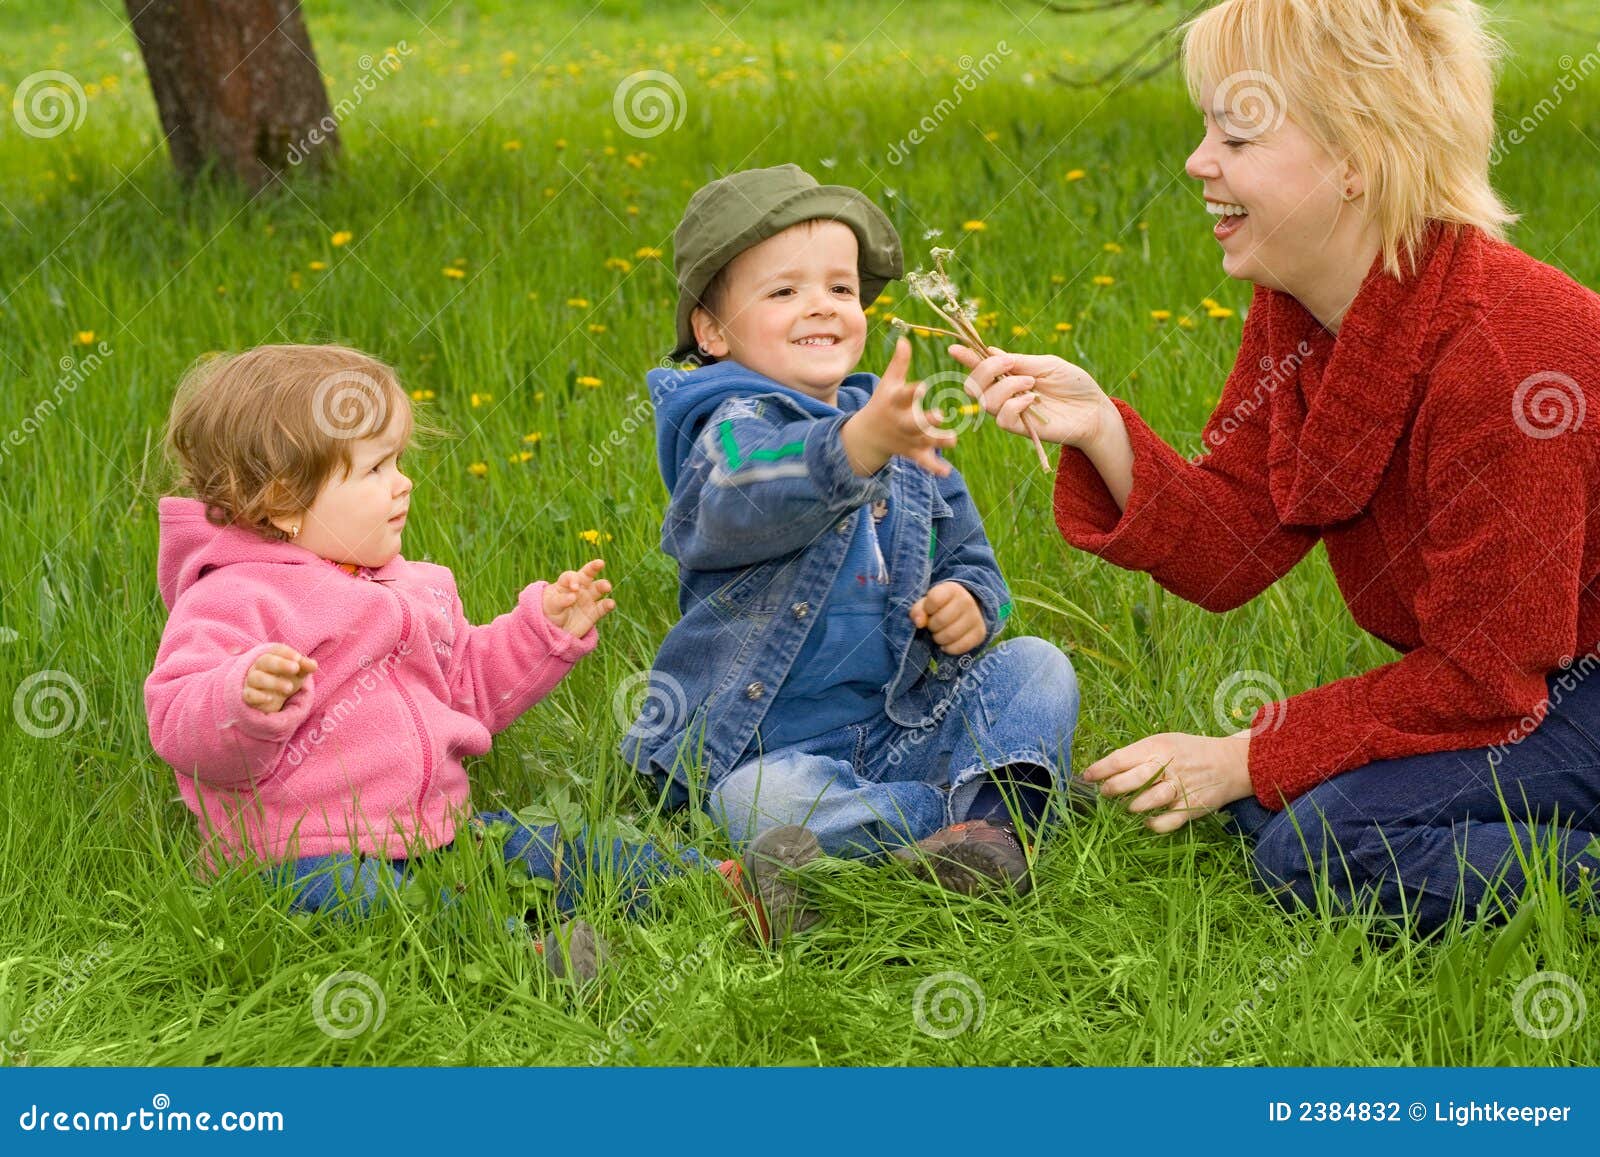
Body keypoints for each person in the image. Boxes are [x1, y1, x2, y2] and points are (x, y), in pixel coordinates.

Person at [958, 0, 1600, 934]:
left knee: (1311, 846)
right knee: (1281, 811)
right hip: (1527, 684)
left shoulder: (1510, 357)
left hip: (1566, 690)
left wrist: (1246, 753)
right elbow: (1233, 546)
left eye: (1238, 133)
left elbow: (1484, 682)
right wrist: (1098, 427)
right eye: (1205, 126)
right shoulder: (1301, 306)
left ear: (1355, 161)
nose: (1197, 161)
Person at [144, 343, 819, 979]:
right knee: (372, 901)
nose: (402, 484)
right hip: (300, 855)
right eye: (376, 469)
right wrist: (244, 696)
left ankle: (720, 890)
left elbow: (467, 692)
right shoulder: (234, 596)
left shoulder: (409, 587)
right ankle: (517, 961)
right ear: (285, 501)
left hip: (441, 832)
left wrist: (541, 632)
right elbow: (179, 720)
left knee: (557, 845)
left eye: (399, 461)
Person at [623, 165, 1082, 895]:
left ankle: (981, 830)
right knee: (756, 806)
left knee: (1037, 666)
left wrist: (969, 600)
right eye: (783, 291)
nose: (822, 307)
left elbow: (971, 558)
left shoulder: (896, 429)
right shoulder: (729, 429)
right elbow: (743, 495)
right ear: (712, 331)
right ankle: (970, 819)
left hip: (901, 724)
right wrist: (853, 448)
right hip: (774, 750)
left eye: (840, 288)